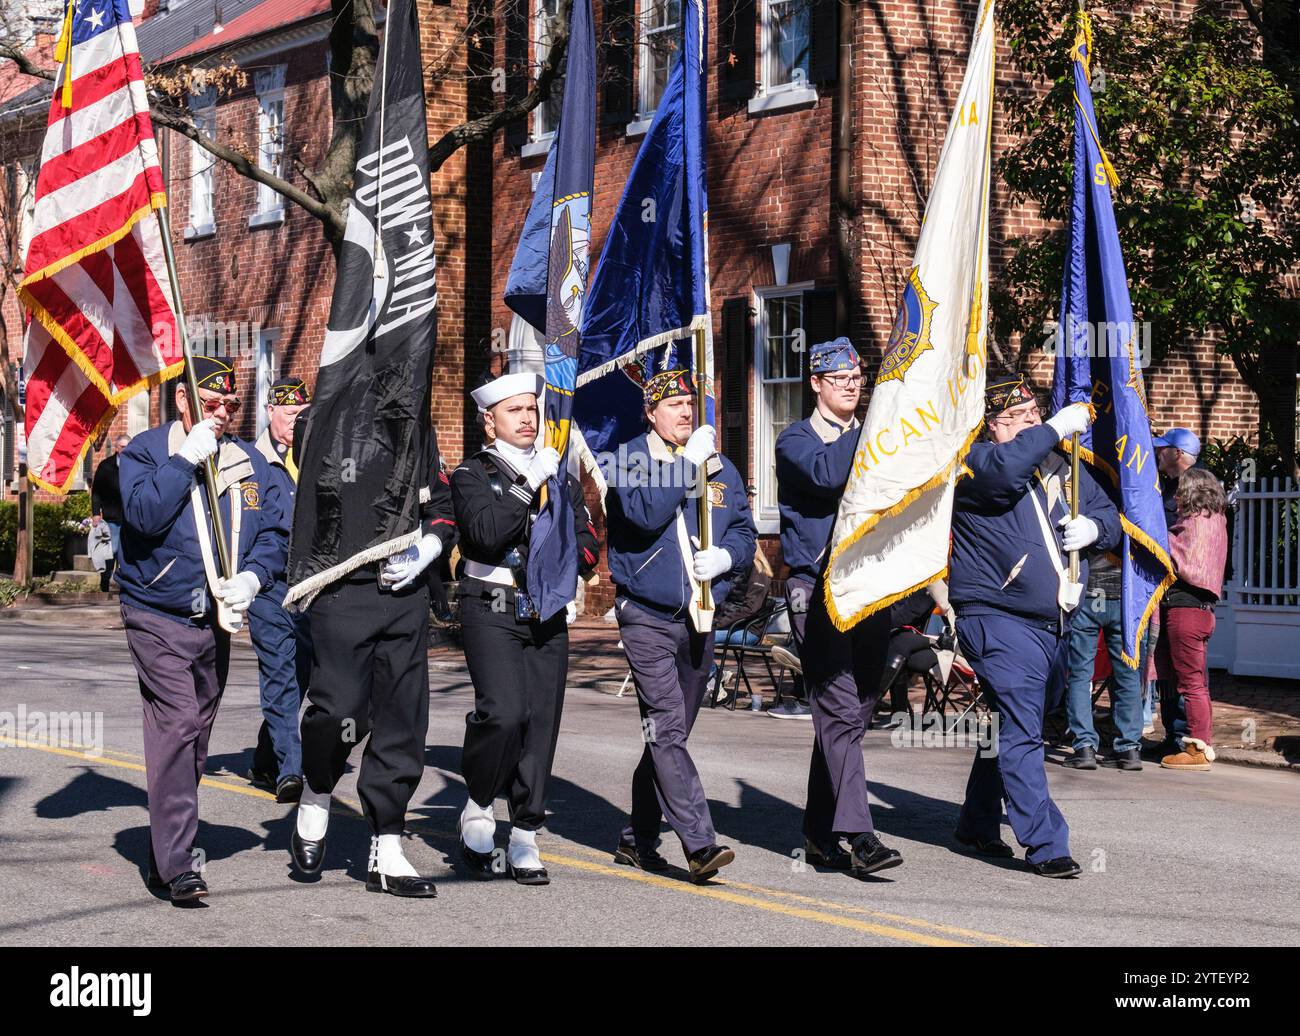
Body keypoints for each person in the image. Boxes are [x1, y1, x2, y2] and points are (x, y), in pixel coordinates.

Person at [117, 356, 286, 901]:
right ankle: (176, 865)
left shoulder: (248, 462)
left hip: (215, 619)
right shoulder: (147, 451)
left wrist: (255, 579)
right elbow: (142, 516)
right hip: (156, 612)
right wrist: (183, 463)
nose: (221, 414)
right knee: (178, 723)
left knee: (195, 737)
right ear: (183, 401)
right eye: (209, 403)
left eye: (230, 405)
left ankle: (166, 843)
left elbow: (274, 533)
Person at [949, 374, 1120, 878]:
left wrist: (1093, 528)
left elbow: (1110, 515)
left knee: (1011, 726)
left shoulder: (1062, 466)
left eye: (1035, 416)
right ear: (992, 426)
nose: (1033, 425)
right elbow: (1005, 474)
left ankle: (978, 821)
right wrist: (1049, 432)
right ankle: (1046, 843)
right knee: (1024, 730)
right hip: (998, 618)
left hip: (1056, 622)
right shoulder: (974, 462)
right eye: (1020, 419)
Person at [289, 429, 458, 898]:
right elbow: (321, 484)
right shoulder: (324, 417)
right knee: (339, 711)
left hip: (404, 591)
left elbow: (442, 505)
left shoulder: (414, 428)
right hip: (342, 588)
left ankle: (386, 844)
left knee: (402, 718)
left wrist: (429, 546)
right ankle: (318, 788)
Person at [605, 369, 756, 882]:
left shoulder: (719, 466)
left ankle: (636, 839)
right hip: (645, 615)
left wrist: (725, 560)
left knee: (669, 737)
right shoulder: (627, 460)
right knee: (667, 727)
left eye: (691, 402)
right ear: (650, 413)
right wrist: (686, 466)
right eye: (674, 405)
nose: (686, 412)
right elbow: (645, 513)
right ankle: (700, 844)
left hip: (699, 617)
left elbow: (744, 531)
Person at [452, 372, 600, 885]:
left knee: (540, 723)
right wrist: (527, 482)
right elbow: (486, 533)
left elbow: (586, 539)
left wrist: (569, 570)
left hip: (545, 609)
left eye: (532, 410)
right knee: (504, 713)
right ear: (489, 422)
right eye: (515, 411)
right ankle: (477, 802)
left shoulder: (560, 475)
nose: (528, 418)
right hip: (489, 603)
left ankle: (525, 833)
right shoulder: (471, 474)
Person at [774, 336, 903, 876]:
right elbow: (827, 474)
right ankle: (859, 835)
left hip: (871, 587)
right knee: (840, 710)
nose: (852, 385)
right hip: (817, 590)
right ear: (816, 384)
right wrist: (876, 430)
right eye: (840, 379)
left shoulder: (872, 441)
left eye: (857, 378)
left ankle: (819, 832)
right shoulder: (795, 440)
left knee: (852, 714)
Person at [246, 377, 313, 803]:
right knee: (279, 675)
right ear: (270, 411)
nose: (295, 423)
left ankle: (266, 758)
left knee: (301, 676)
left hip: (310, 587)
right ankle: (291, 769)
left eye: (302, 416)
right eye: (289, 415)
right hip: (268, 586)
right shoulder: (250, 462)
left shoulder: (315, 458)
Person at [1154, 468, 1229, 771]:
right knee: (1188, 680)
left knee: (1191, 683)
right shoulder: (1218, 521)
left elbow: (1184, 560)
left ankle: (1198, 747)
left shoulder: (1196, 525)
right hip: (1200, 611)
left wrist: (1158, 537)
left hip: (1186, 609)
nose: (1178, 497)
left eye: (1182, 491)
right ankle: (1189, 741)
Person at [1061, 550, 1146, 771]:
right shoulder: (1130, 514)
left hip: (1088, 590)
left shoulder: (1088, 513)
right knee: (1128, 673)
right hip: (1122, 594)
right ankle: (1129, 749)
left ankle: (1085, 746)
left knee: (1080, 674)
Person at [91, 434, 131, 591]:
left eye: (128, 447)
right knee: (111, 550)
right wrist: (96, 513)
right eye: (122, 447)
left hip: (129, 518)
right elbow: (96, 492)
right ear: (116, 448)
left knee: (125, 551)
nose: (125, 450)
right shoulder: (105, 467)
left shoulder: (136, 465)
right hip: (111, 517)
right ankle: (105, 578)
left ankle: (121, 583)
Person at [1154, 427, 1201, 528]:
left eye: (1162, 448)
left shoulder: (1197, 488)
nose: (1157, 452)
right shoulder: (1177, 484)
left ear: (1177, 453)